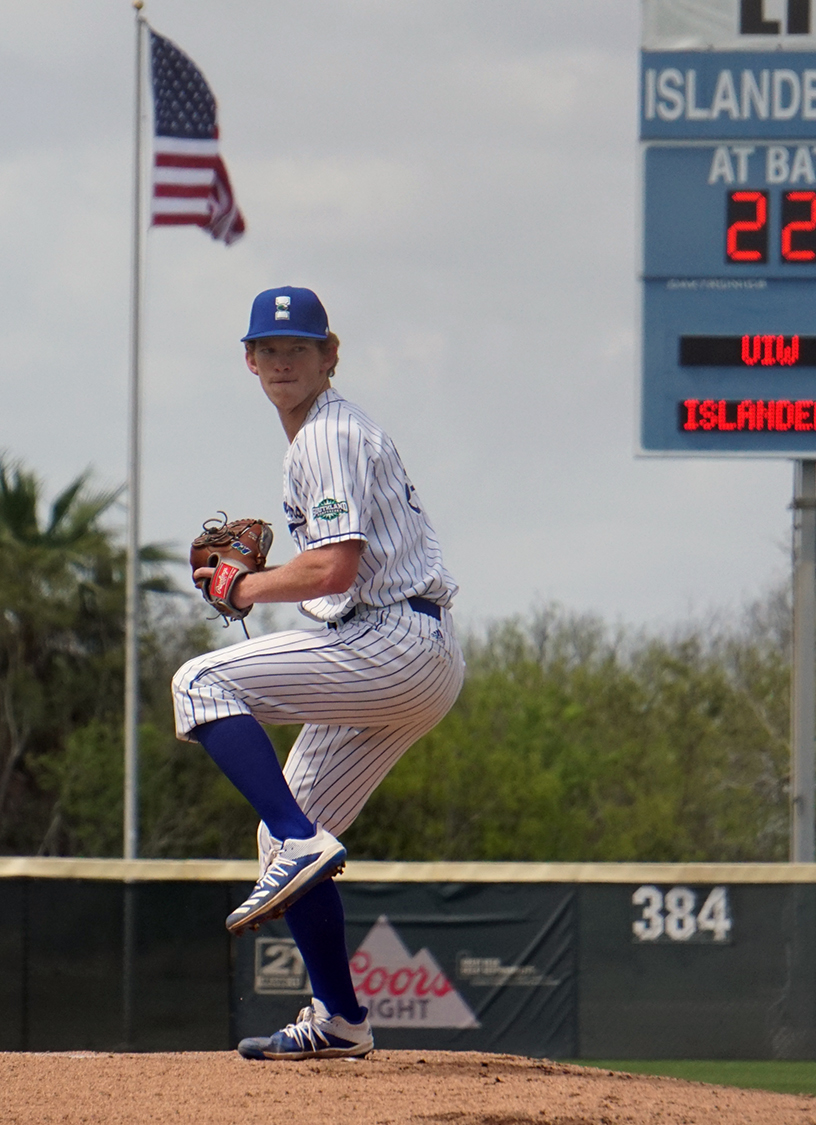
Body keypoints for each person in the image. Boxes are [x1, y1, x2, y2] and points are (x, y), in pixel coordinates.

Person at [171, 286, 464, 1061]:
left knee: (200, 684)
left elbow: (336, 566)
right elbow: (336, 572)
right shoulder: (329, 434)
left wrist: (247, 586)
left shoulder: (325, 437)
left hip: (393, 640)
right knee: (278, 836)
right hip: (410, 652)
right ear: (249, 361)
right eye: (269, 349)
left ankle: (304, 842)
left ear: (329, 355)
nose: (282, 361)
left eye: (298, 347)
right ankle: (341, 1019)